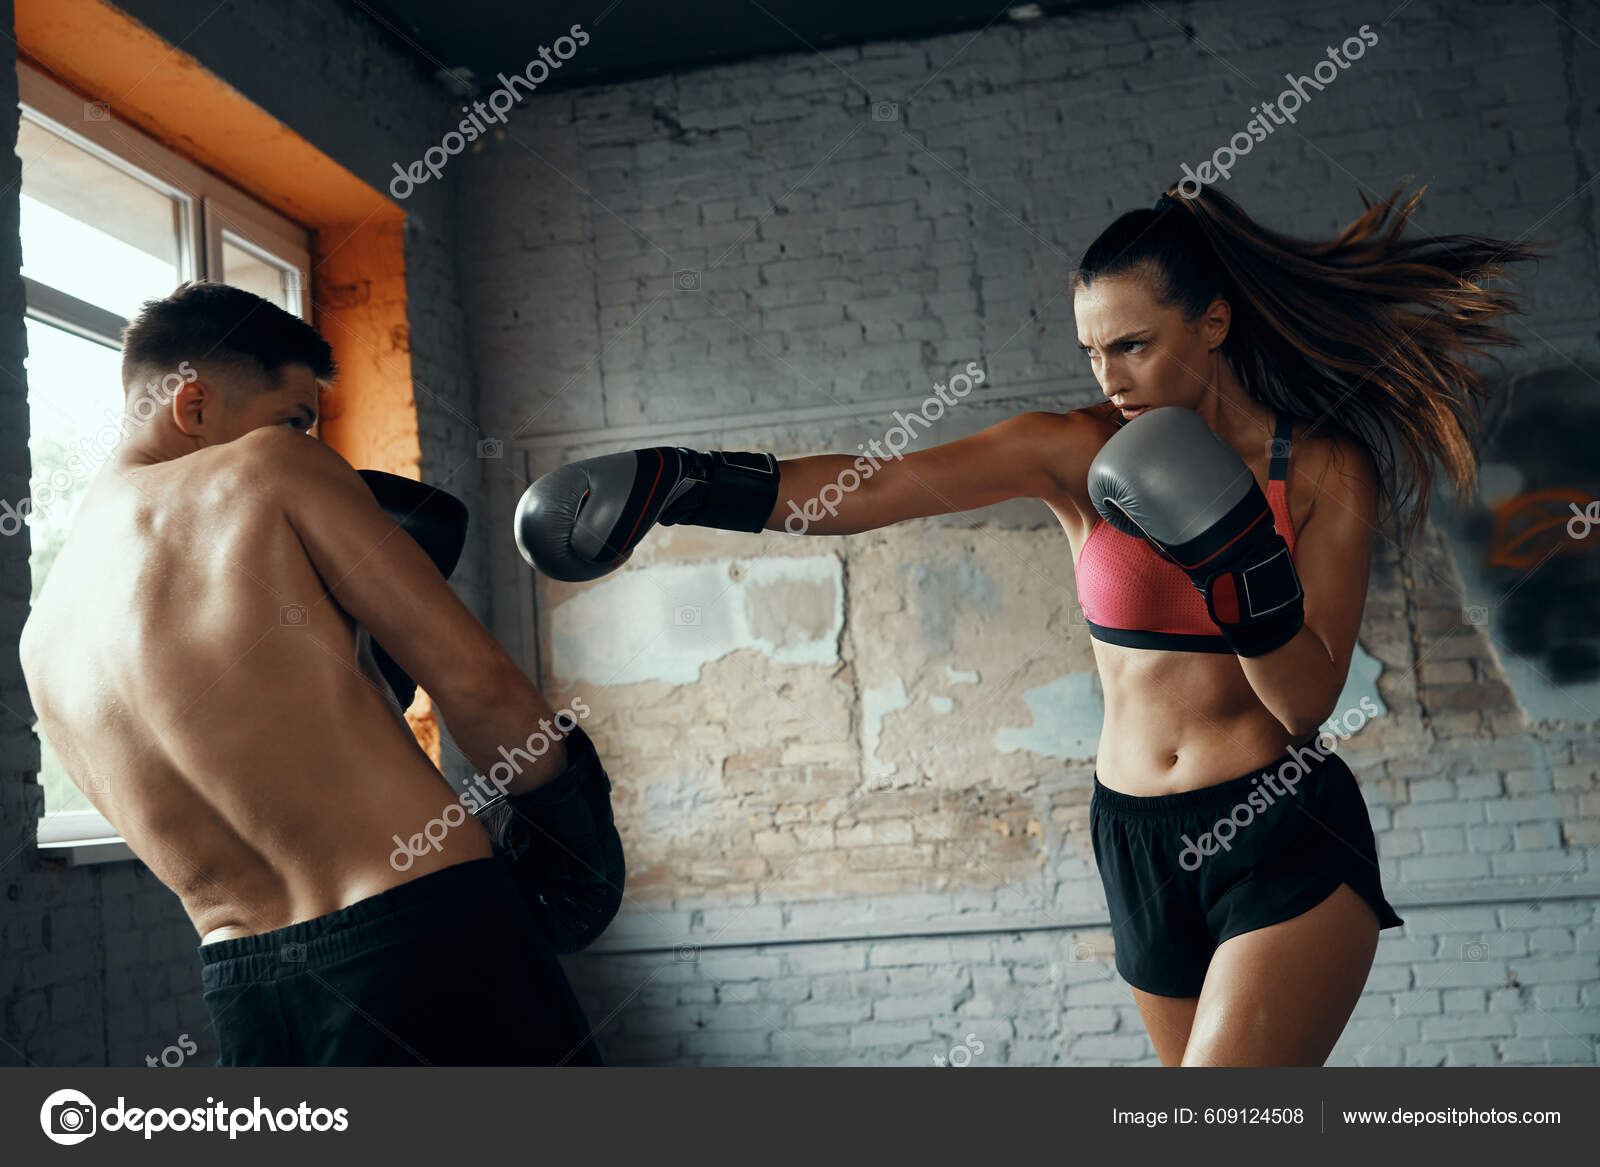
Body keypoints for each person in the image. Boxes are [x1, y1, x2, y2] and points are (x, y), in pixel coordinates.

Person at [515, 181, 1538, 1066]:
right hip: (1134, 839)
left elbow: (1307, 703)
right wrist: (680, 483)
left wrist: (1234, 560)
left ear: (1214, 324)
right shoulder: (1073, 452)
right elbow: (881, 488)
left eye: (1133, 346)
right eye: (1093, 351)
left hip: (1279, 833)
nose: (1109, 379)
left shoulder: (1318, 469)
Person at [20, 281, 621, 1066]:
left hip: (252, 995)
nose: (309, 440)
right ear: (192, 405)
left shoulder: (44, 632)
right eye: (295, 417)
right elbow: (481, 686)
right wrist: (576, 837)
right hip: (427, 937)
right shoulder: (267, 469)